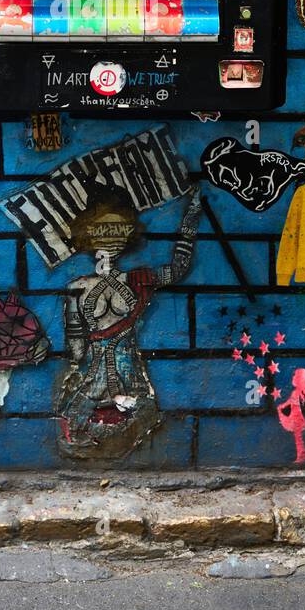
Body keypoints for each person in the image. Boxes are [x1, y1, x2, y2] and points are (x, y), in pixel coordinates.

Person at [57, 188, 202, 459]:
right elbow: (75, 345)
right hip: (110, 368)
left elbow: (76, 347)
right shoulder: (124, 282)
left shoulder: (89, 286)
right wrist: (190, 220)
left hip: (114, 368)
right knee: (92, 417)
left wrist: (190, 220)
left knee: (130, 413)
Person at [276, 368, 305, 464]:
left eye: (295, 375)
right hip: (297, 417)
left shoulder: (296, 392)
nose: (293, 377)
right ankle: (302, 454)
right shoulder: (304, 391)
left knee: (298, 438)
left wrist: (281, 406)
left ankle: (302, 455)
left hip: (296, 419)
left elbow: (290, 402)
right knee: (298, 438)